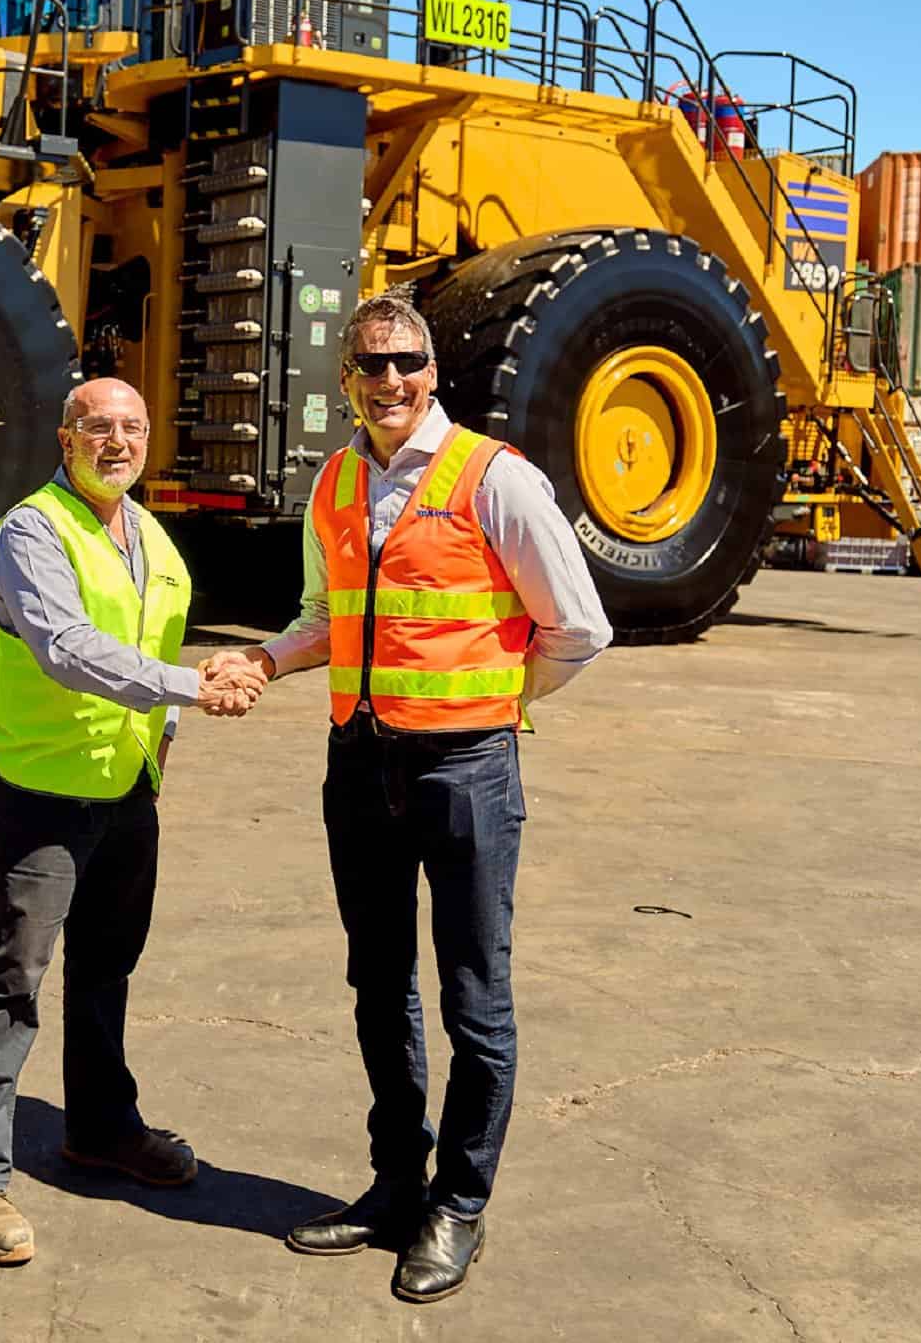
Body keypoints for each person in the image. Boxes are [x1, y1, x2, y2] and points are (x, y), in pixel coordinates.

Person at [204, 293, 610, 1303]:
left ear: (436, 372)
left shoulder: (496, 480)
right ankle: (396, 1185)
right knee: (379, 988)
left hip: (466, 770)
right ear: (346, 378)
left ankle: (458, 1205)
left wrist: (500, 699)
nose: (390, 382)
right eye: (371, 364)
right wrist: (262, 657)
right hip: (359, 765)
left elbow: (579, 627)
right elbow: (322, 618)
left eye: (408, 362)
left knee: (477, 1000)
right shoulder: (336, 481)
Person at [0, 376, 265, 1268]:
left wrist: (179, 717)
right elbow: (66, 647)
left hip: (128, 785)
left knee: (107, 964)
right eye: (97, 427)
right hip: (42, 788)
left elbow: (150, 648)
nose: (115, 441)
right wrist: (196, 685)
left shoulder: (152, 537)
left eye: (131, 426)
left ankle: (99, 1127)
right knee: (14, 977)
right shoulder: (31, 531)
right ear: (65, 437)